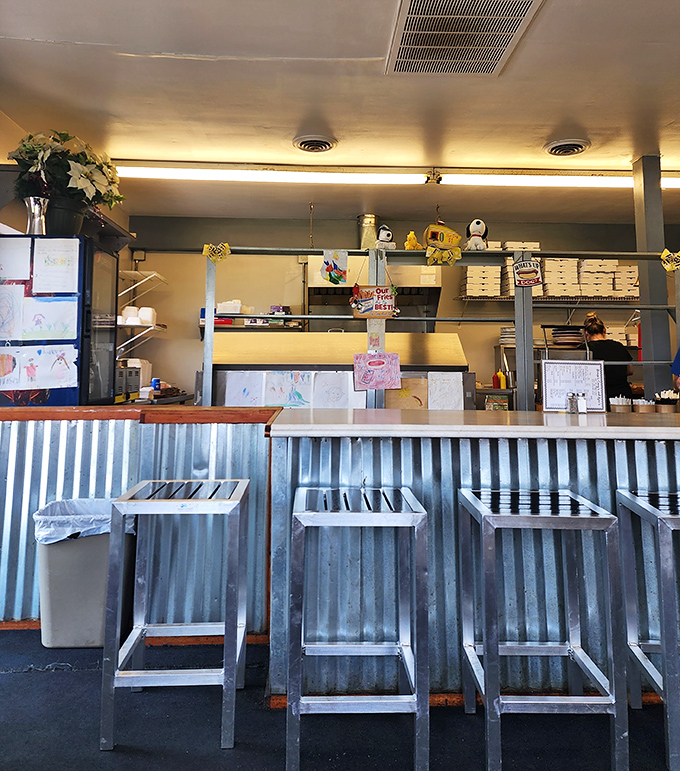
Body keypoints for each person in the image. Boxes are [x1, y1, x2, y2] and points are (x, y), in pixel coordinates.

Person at [581, 312, 633, 402]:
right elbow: (630, 371)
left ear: (586, 334)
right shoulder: (618, 346)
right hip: (621, 398)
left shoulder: (584, 349)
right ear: (604, 330)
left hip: (596, 399)